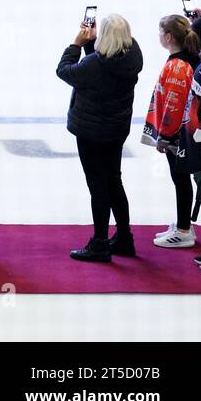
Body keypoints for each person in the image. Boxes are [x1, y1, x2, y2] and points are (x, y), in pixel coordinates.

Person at [56, 13, 144, 262]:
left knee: (98, 187)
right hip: (116, 129)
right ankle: (124, 237)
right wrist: (89, 43)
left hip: (91, 132)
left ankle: (100, 243)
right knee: (114, 179)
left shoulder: (95, 65)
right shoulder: (132, 55)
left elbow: (65, 71)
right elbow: (96, 69)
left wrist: (76, 44)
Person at [141, 15, 201, 250]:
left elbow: (173, 106)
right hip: (183, 132)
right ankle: (183, 223)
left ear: (168, 37)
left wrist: (165, 137)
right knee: (181, 178)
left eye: (160, 32)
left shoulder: (177, 66)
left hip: (178, 135)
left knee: (180, 179)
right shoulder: (185, 59)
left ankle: (184, 230)